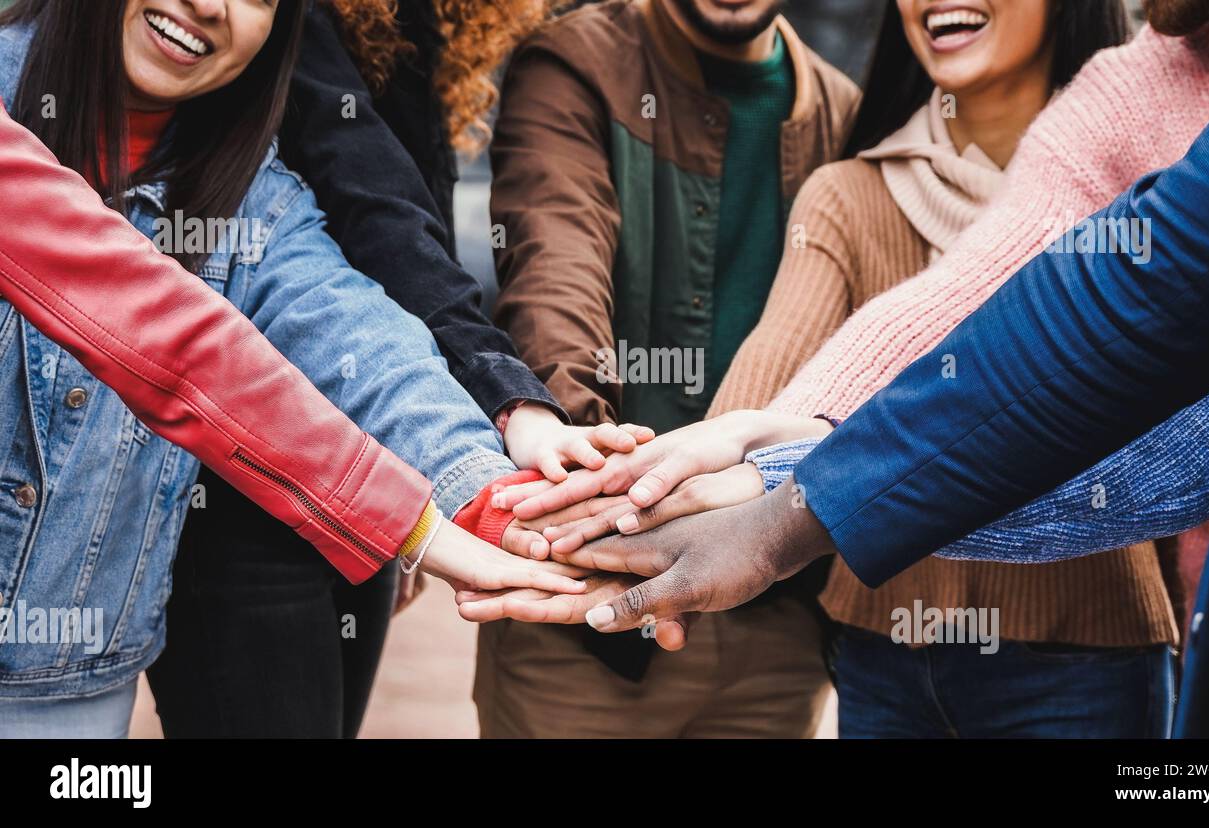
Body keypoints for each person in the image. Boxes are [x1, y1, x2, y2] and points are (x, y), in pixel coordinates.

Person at [501, 26, 1209, 738]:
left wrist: (790, 497)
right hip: (888, 647)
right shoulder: (876, 176)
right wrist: (771, 450)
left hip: (1097, 650)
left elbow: (1177, 417)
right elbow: (1010, 312)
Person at [0, 0, 582, 739]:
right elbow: (175, 339)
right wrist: (410, 521)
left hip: (74, 697)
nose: (209, 5)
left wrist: (487, 485)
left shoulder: (255, 198)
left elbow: (358, 333)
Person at [144, 0, 646, 739]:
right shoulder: (288, 18)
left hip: (378, 442)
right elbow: (373, 207)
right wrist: (502, 405)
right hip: (240, 479)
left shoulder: (432, 18)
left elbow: (399, 237)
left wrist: (437, 493)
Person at [480, 0, 859, 738]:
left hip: (779, 618)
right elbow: (554, 263)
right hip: (587, 609)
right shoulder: (578, 62)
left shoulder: (846, 116)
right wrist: (590, 485)